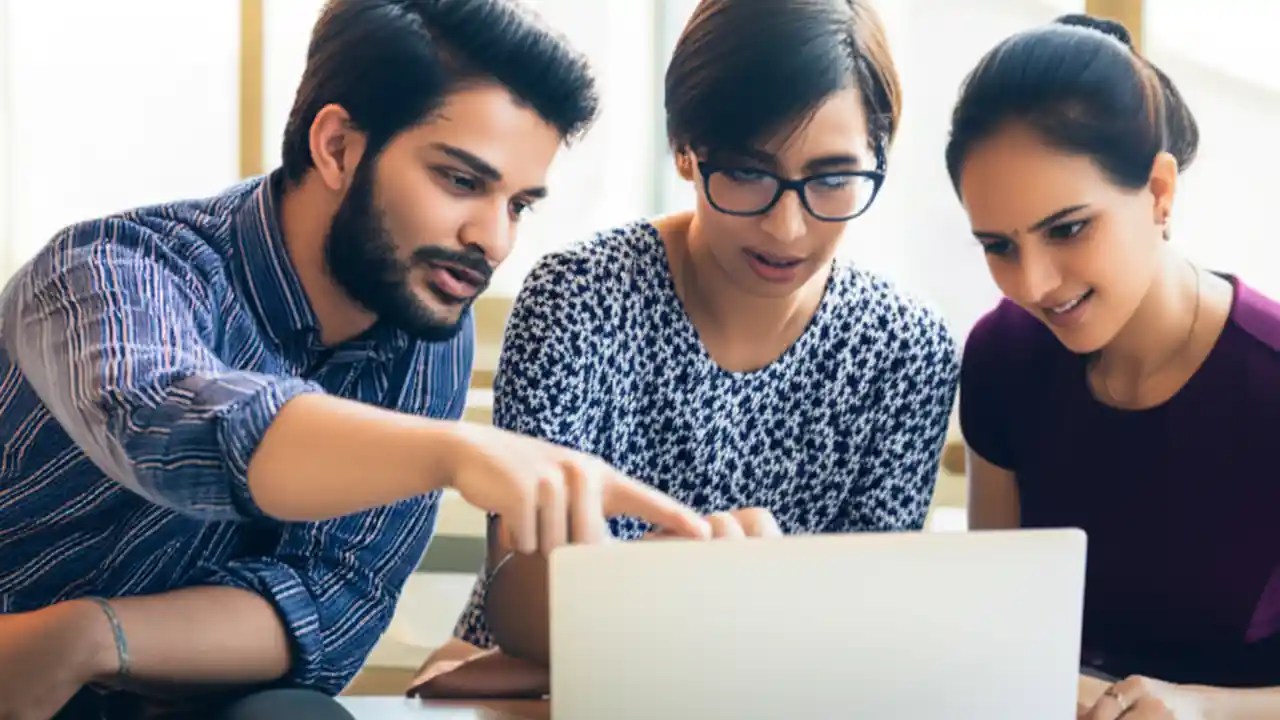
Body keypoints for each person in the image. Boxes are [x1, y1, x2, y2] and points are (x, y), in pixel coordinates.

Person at [0, 1, 712, 717]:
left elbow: (335, 600)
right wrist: (456, 451)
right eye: (462, 182)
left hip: (152, 686)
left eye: (519, 204)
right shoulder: (106, 271)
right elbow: (173, 429)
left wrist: (87, 637)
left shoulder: (426, 325)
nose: (493, 240)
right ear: (337, 146)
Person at [411, 0, 959, 698]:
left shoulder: (905, 352)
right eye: (749, 172)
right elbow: (518, 599)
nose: (788, 227)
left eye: (831, 178)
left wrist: (646, 602)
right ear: (684, 148)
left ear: (879, 156)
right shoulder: (579, 299)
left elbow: (867, 639)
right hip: (551, 689)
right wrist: (667, 591)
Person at [951, 13, 1280, 720]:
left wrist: (1199, 709)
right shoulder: (1003, 358)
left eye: (1068, 229)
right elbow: (999, 628)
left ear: (1160, 192)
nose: (1034, 283)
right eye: (998, 245)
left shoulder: (1269, 386)